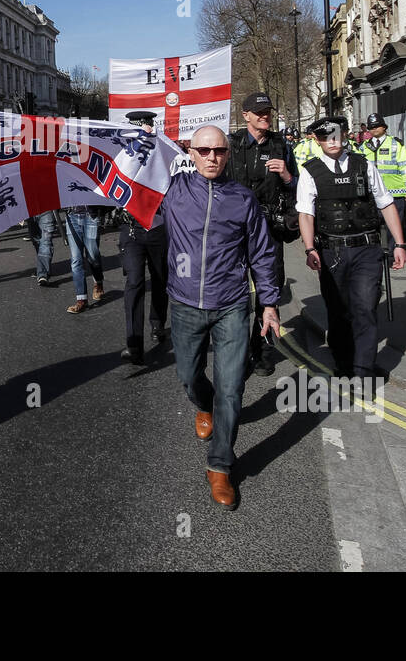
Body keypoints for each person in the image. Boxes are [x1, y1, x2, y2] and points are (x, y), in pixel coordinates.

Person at [159, 124, 281, 509]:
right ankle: (203, 406)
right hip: (183, 304)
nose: (213, 157)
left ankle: (221, 466)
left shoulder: (242, 198)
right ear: (190, 153)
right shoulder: (173, 192)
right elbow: (132, 190)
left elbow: (262, 252)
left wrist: (269, 302)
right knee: (189, 376)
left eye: (220, 151)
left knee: (232, 388)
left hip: (231, 304)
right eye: (204, 150)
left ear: (228, 154)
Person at [298, 116, 406, 380]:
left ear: (345, 135)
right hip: (331, 252)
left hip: (366, 248)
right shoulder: (310, 170)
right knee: (338, 311)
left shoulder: (365, 165)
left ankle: (363, 368)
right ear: (317, 140)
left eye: (335, 135)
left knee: (365, 307)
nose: (331, 142)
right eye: (325, 137)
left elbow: (386, 204)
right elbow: (305, 213)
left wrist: (400, 244)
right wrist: (310, 248)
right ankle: (344, 360)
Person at [228, 91, 297, 377]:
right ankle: (239, 351)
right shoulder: (231, 146)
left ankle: (264, 351)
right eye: (259, 113)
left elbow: (298, 188)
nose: (265, 116)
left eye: (267, 112)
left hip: (269, 228)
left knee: (270, 289)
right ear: (245, 116)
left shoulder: (282, 145)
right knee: (235, 292)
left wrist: (286, 176)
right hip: (236, 229)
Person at [118, 110, 169, 365]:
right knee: (135, 282)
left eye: (145, 129)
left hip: (158, 229)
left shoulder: (161, 150)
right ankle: (134, 343)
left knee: (160, 279)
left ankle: (158, 323)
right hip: (131, 230)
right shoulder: (121, 152)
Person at [357, 114, 406, 252]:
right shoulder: (364, 147)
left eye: (377, 126)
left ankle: (393, 252)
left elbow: (405, 166)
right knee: (372, 225)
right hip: (372, 193)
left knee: (394, 225)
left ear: (384, 127)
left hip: (395, 192)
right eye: (371, 127)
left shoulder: (395, 144)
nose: (374, 129)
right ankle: (375, 252)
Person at [64, 204, 105, 313]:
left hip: (91, 216)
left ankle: (98, 282)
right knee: (76, 259)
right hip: (72, 216)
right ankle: (81, 300)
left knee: (93, 256)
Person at [28, 210, 57, 286]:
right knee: (36, 240)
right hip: (29, 210)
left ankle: (42, 274)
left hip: (47, 208)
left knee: (46, 241)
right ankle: (40, 268)